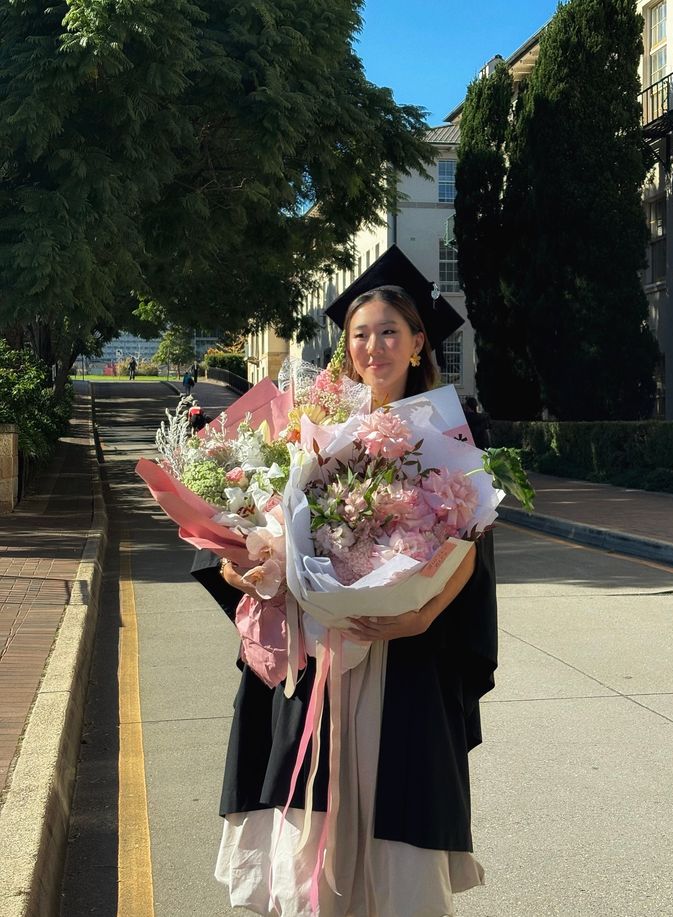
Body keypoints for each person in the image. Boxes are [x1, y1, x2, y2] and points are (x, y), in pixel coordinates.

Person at [193, 250, 497, 917]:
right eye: (361, 332)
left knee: (394, 814)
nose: (374, 345)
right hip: (319, 649)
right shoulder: (308, 421)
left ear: (420, 342)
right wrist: (238, 560)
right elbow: (248, 515)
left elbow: (472, 544)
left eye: (391, 330)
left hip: (405, 652)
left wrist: (420, 616)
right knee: (315, 810)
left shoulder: (450, 431)